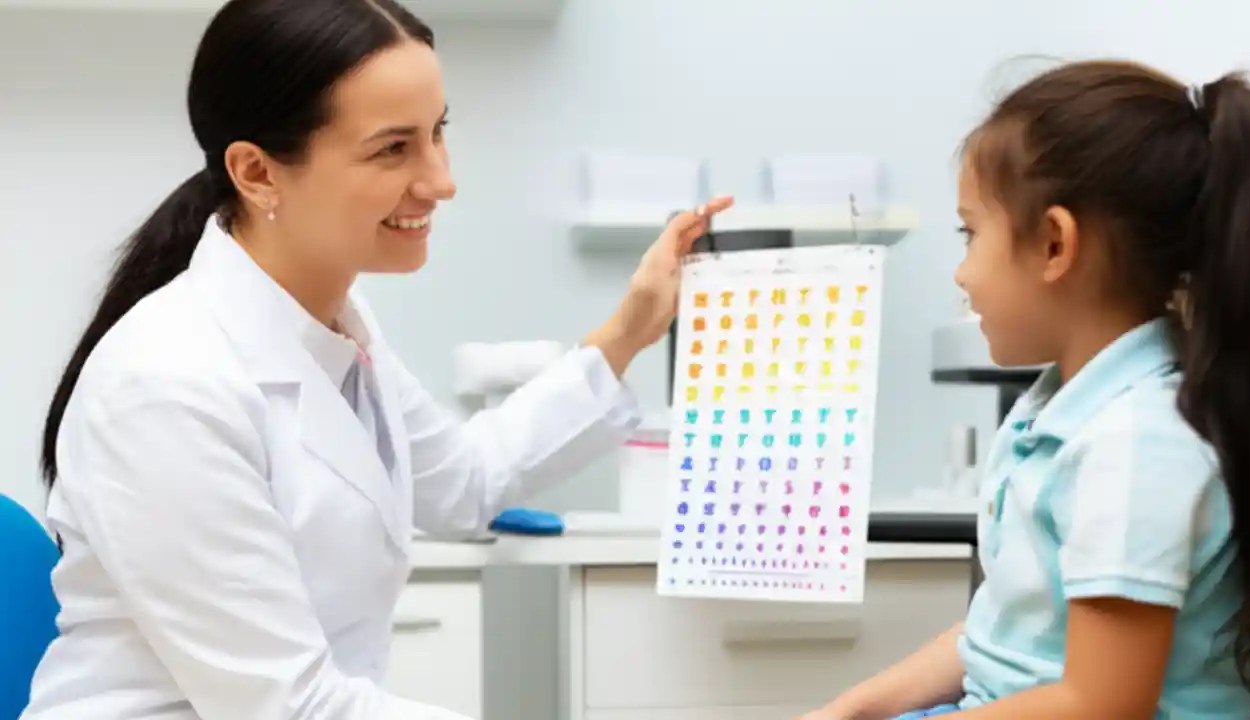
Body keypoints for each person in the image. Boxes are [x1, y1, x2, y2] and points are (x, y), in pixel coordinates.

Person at [21, 1, 732, 718]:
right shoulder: (166, 385)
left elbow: (464, 483)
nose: (441, 180)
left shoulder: (336, 330)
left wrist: (631, 328)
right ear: (257, 172)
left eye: (437, 133)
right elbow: (293, 708)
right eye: (393, 149)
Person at [801, 59, 1250, 719]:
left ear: (1054, 243)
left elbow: (1100, 703)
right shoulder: (1065, 412)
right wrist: (851, 710)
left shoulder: (1136, 446)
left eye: (970, 234)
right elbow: (997, 641)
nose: (962, 274)